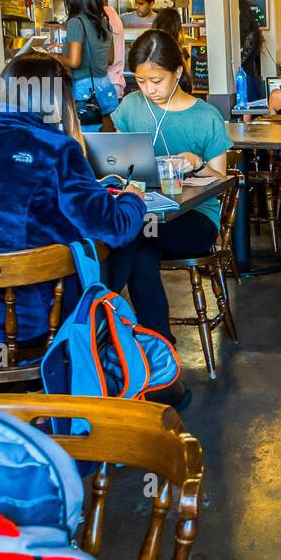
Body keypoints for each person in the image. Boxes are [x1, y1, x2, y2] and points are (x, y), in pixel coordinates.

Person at [0, 53, 146, 345]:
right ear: (57, 100)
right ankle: (122, 356)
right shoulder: (56, 148)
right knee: (125, 246)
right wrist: (133, 199)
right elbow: (114, 227)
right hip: (36, 318)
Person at [105, 31, 230, 342]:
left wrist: (197, 163)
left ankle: (105, 324)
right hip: (144, 211)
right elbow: (111, 157)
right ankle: (159, 343)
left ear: (177, 72)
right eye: (142, 81)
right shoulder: (130, 107)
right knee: (138, 245)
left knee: (132, 239)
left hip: (195, 216)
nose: (149, 89)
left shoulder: (206, 116)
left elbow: (221, 179)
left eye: (157, 81)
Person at [54, 0, 118, 129]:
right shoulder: (104, 21)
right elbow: (110, 59)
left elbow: (74, 62)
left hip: (84, 89)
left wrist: (54, 56)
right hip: (105, 84)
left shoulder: (75, 22)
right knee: (106, 132)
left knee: (86, 136)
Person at [89, 0, 125, 100]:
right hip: (111, 84)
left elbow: (106, 58)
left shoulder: (103, 16)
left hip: (107, 86)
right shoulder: (110, 12)